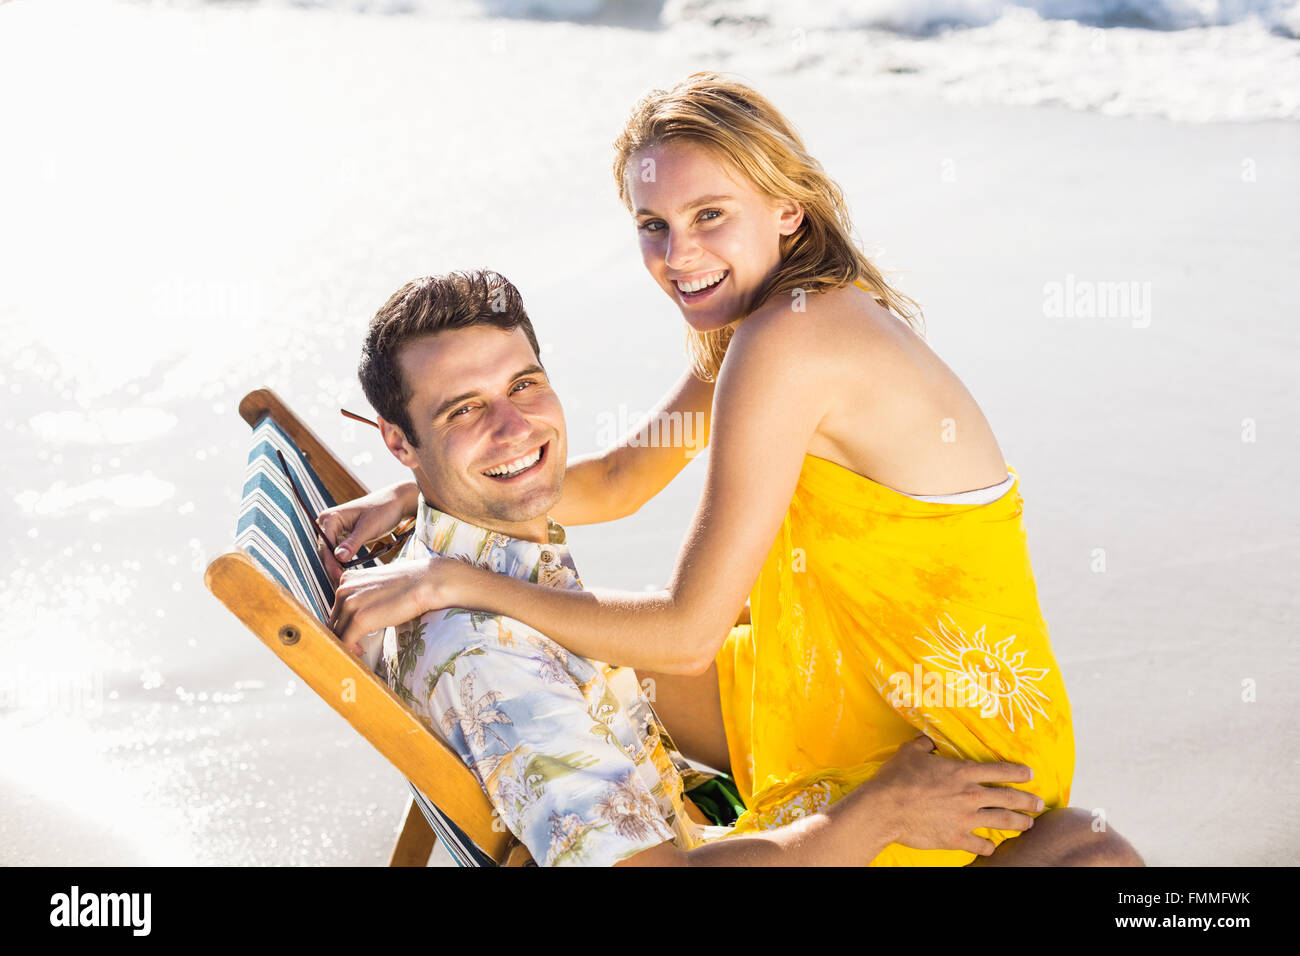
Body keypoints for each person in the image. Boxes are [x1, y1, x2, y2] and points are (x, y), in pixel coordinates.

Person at [325, 269, 1138, 867]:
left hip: (686, 807)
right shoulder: (489, 660)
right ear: (400, 438)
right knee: (1086, 856)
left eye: (524, 385)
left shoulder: (479, 560)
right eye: (463, 410)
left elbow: (614, 479)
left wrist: (429, 492)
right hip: (704, 841)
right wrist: (882, 812)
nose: (514, 426)